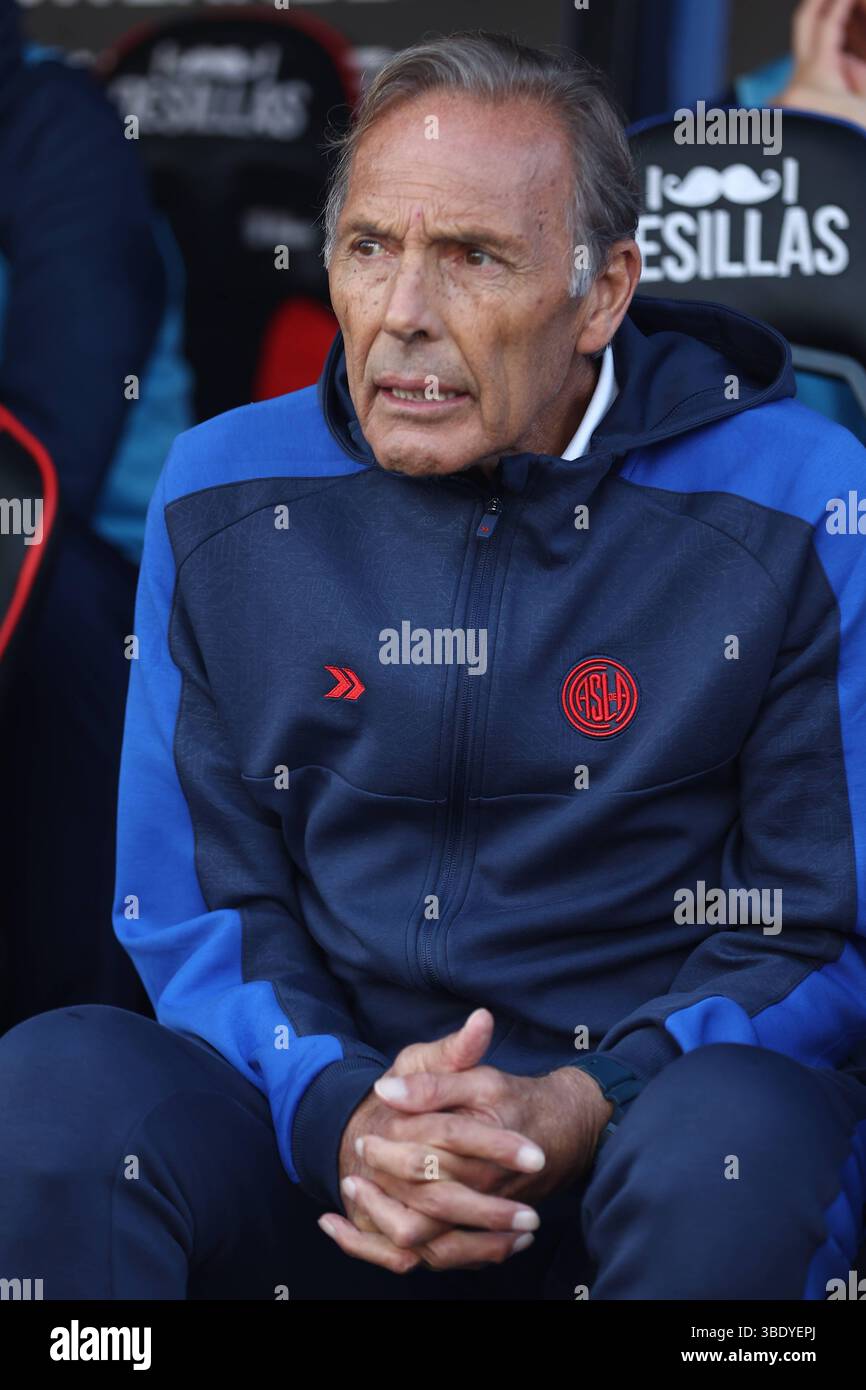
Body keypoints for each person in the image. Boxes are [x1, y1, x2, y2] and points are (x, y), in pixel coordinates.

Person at [1, 29, 866, 1301]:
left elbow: (819, 930)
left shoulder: (803, 501)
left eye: (469, 257)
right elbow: (195, 907)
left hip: (641, 1136)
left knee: (738, 1145)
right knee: (52, 1091)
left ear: (603, 291)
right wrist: (346, 1112)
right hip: (321, 1149)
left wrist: (585, 1098)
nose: (404, 314)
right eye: (369, 250)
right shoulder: (226, 492)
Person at [0, 0, 193, 1027]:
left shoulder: (53, 125)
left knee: (55, 600)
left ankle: (57, 1042)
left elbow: (43, 452)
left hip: (93, 569)